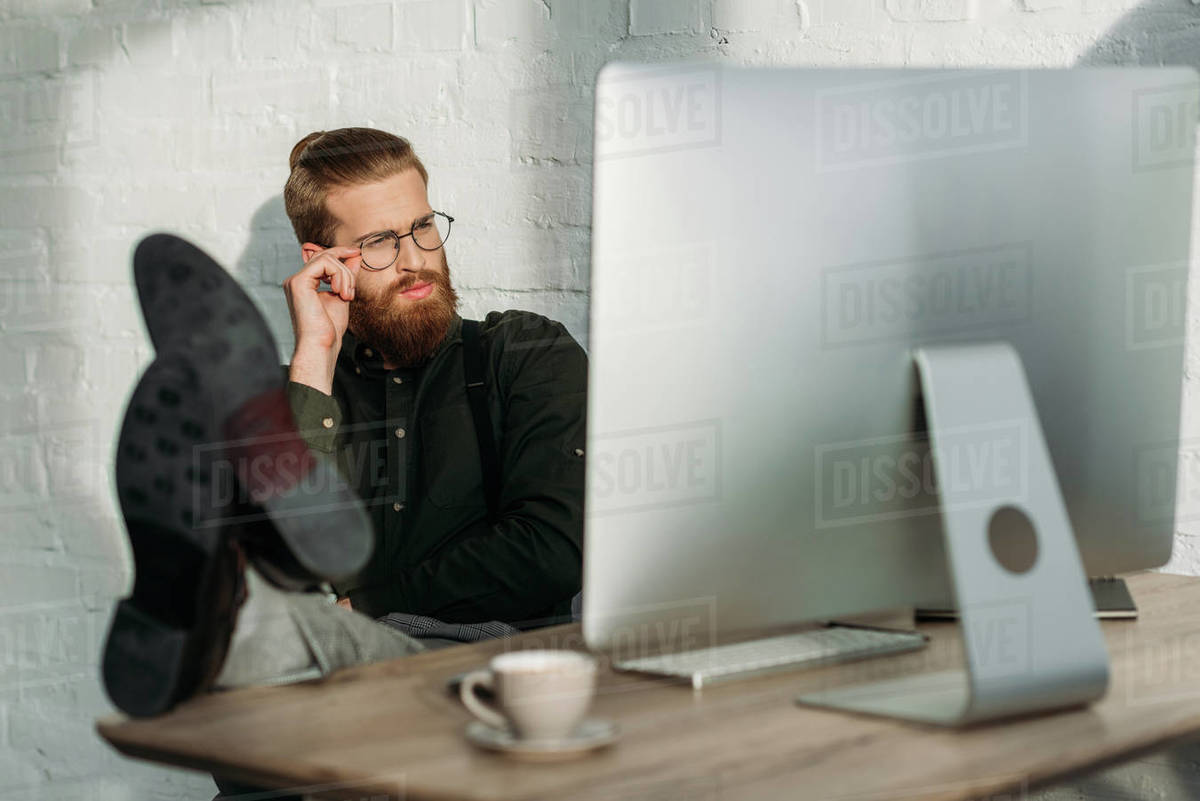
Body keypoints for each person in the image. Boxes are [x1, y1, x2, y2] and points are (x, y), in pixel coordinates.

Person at [98, 127, 588, 800]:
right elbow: (294, 565)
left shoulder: (522, 355)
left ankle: (215, 615)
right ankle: (228, 618)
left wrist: (364, 605)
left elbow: (554, 549)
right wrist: (314, 357)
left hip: (487, 664)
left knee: (280, 655)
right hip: (327, 688)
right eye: (381, 243)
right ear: (323, 260)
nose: (415, 259)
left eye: (422, 227)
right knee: (276, 670)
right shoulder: (301, 393)